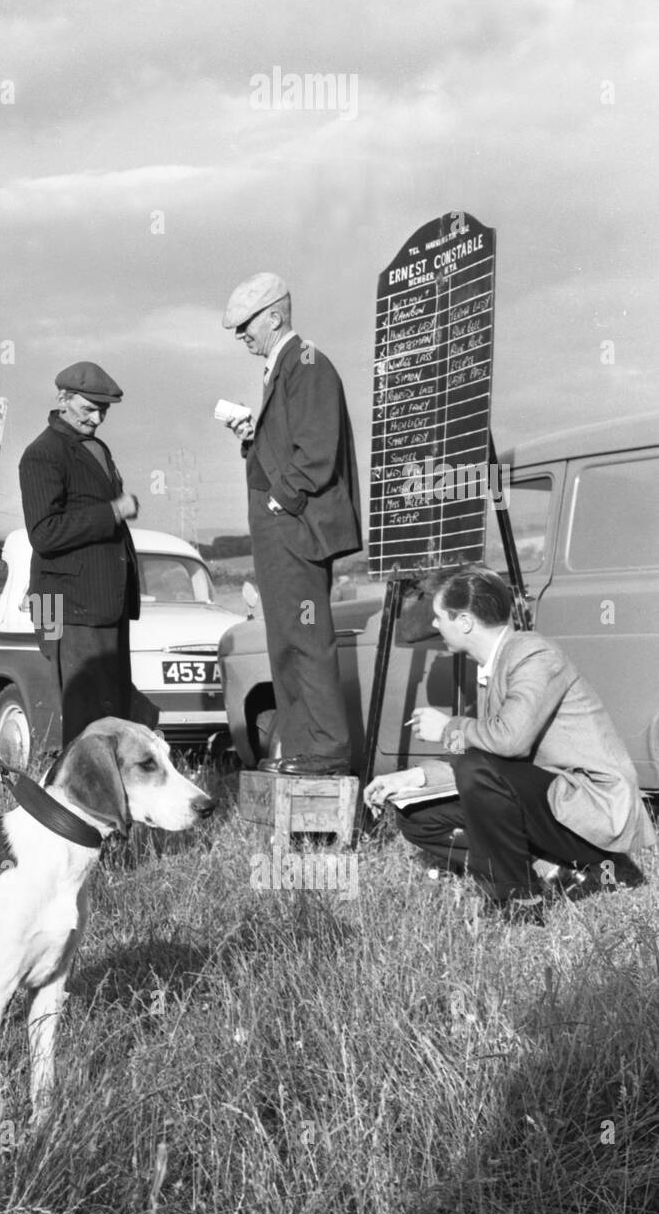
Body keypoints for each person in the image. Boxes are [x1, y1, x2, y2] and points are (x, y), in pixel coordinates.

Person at [365, 565, 654, 912]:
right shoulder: (493, 666)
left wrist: (447, 729)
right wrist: (416, 778)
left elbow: (509, 742)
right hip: (547, 800)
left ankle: (519, 897)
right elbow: (486, 750)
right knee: (417, 817)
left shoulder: (532, 655)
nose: (434, 625)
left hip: (589, 807)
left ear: (466, 622)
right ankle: (542, 868)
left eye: (440, 616)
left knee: (477, 768)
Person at [220, 273, 362, 775]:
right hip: (281, 530)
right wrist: (251, 438)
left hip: (295, 530)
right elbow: (287, 447)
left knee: (305, 640)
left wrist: (282, 501)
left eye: (245, 326)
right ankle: (303, 750)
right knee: (284, 643)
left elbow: (317, 452)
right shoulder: (284, 368)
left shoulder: (307, 364)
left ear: (274, 317)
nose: (241, 336)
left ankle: (325, 752)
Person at [18, 362, 153, 747]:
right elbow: (44, 534)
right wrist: (111, 512)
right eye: (89, 408)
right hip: (70, 606)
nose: (97, 418)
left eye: (104, 410)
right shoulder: (41, 454)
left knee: (112, 717)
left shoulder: (94, 447)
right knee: (86, 723)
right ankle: (76, 800)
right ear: (62, 399)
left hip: (104, 605)